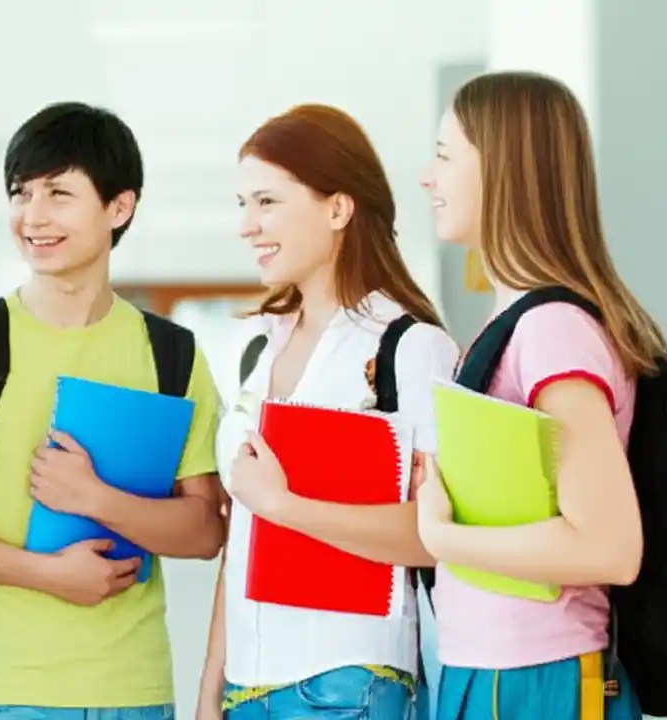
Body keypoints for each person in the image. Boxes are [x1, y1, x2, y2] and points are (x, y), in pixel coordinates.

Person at [0, 101, 225, 719]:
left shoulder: (171, 354)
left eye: (59, 192)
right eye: (20, 193)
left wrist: (94, 498)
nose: (33, 215)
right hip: (7, 690)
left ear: (119, 207)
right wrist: (48, 574)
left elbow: (205, 528)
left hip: (137, 689)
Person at [199, 104, 460, 720]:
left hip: (348, 682)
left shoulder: (408, 348)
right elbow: (244, 531)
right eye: (242, 204)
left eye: (266, 202)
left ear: (338, 208)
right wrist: (211, 689)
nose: (247, 226)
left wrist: (286, 506)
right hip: (245, 685)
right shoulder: (254, 348)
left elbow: (436, 538)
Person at [416, 70, 659, 719]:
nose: (427, 178)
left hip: (536, 677)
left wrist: (442, 534)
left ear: (500, 170)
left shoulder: (553, 330)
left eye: (443, 156)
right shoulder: (512, 329)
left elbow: (607, 547)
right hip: (490, 672)